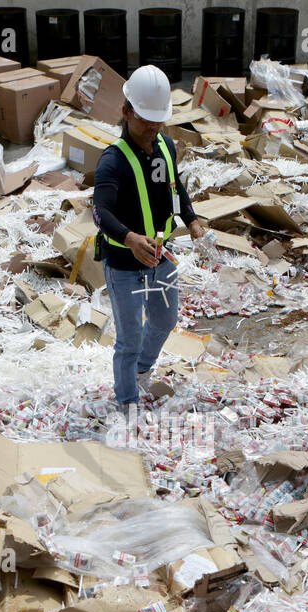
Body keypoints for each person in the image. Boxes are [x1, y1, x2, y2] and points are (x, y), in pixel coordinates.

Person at [90, 64, 207, 419]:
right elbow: (100, 212)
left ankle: (143, 369)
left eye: (159, 120)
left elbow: (175, 187)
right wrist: (129, 238)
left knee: (165, 319)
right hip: (125, 263)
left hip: (160, 255)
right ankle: (126, 401)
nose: (153, 127)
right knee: (128, 337)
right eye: (145, 119)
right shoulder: (112, 161)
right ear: (126, 113)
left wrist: (192, 218)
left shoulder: (166, 146)